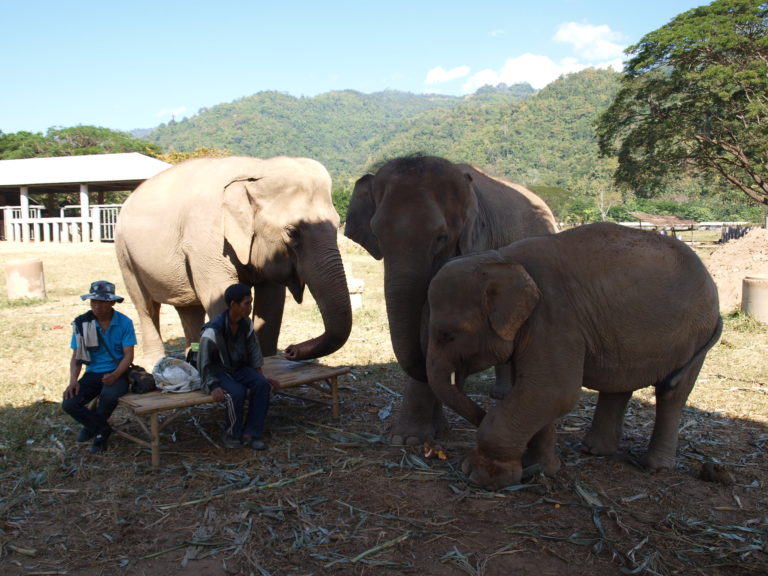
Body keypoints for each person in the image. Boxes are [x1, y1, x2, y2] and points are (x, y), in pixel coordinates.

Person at [198, 283, 279, 450]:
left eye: (251, 302)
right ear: (233, 305)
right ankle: (231, 434)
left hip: (239, 368)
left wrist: (260, 376)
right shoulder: (212, 330)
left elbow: (254, 350)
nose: (250, 307)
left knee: (262, 386)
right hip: (219, 370)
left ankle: (252, 433)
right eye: (246, 303)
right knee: (237, 392)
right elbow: (204, 362)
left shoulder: (246, 324)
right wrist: (213, 385)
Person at [63, 281, 137, 454]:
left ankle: (95, 433)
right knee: (69, 403)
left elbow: (128, 355)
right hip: (93, 372)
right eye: (93, 302)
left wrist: (116, 374)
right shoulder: (82, 323)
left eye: (102, 302)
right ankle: (101, 429)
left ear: (112, 302)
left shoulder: (124, 322)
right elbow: (76, 357)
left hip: (117, 372)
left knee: (109, 396)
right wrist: (73, 381)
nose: (97, 306)